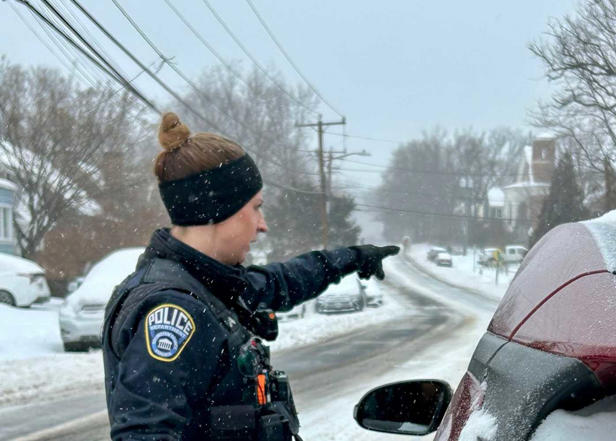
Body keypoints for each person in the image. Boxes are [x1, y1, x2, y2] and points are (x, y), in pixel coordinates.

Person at [101, 112, 399, 441]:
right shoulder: (174, 311)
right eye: (255, 207)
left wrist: (352, 258)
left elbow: (282, 281)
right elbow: (143, 433)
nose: (263, 224)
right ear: (217, 210)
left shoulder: (209, 286)